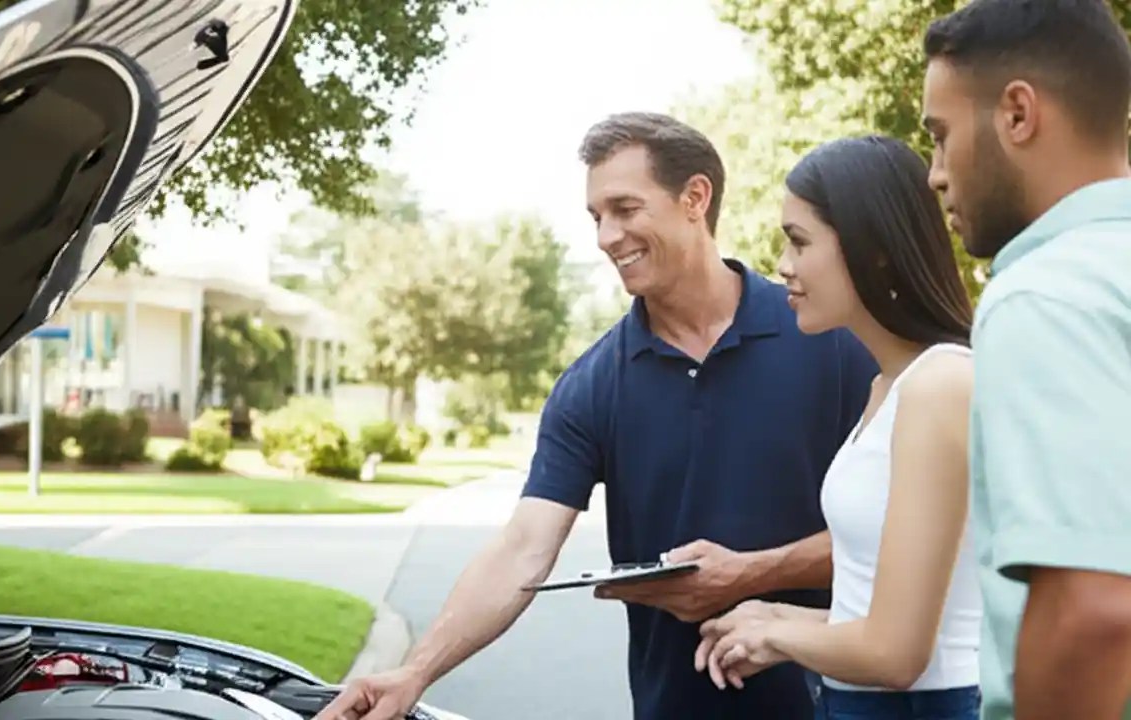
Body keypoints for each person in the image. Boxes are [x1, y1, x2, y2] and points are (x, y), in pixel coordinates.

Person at [314, 112, 878, 720]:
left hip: (837, 705)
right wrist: (414, 671)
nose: (607, 237)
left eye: (625, 209)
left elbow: (899, 536)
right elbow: (522, 549)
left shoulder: (831, 340)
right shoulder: (592, 385)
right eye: (596, 217)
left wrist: (749, 574)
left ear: (695, 198)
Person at [693, 135, 981, 720]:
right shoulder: (888, 388)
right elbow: (887, 618)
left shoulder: (939, 384)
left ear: (872, 248)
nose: (783, 266)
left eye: (799, 241)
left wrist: (776, 636)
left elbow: (898, 655)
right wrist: (774, 615)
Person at [919, 2, 1131, 719]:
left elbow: (1092, 610)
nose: (935, 176)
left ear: (1017, 114)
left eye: (941, 138)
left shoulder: (1043, 294)